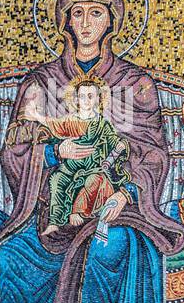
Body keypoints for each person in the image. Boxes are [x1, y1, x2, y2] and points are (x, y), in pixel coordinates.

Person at [0, 0, 184, 303]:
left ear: (112, 20)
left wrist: (124, 192)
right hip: (49, 213)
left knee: (110, 248)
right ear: (64, 22)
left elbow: (153, 153)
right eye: (77, 13)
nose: (87, 22)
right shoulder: (43, 81)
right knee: (9, 257)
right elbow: (15, 149)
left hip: (117, 206)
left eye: (97, 13)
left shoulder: (135, 84)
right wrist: (56, 150)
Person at [16, 76, 129, 233]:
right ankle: (54, 221)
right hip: (69, 167)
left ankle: (78, 211)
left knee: (93, 181)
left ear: (98, 99)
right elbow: (57, 126)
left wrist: (121, 145)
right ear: (76, 99)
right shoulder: (70, 120)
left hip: (93, 168)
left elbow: (113, 141)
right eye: (82, 96)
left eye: (91, 96)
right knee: (56, 180)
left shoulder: (102, 123)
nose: (86, 100)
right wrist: (37, 117)